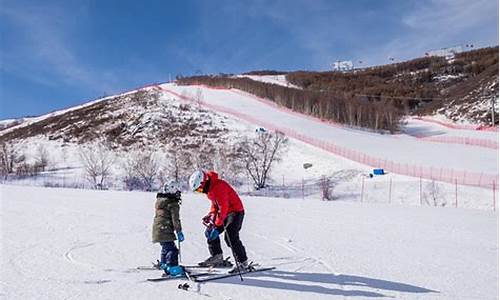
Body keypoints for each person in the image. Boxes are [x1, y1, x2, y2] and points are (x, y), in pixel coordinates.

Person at [189, 170, 249, 273]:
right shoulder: (210, 188)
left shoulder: (218, 186)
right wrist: (211, 215)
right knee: (210, 231)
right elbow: (215, 205)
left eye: (199, 189)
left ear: (203, 182)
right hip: (225, 212)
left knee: (230, 236)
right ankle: (217, 256)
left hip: (235, 211)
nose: (201, 192)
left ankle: (242, 262)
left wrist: (217, 224)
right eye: (197, 191)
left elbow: (223, 207)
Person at [152, 180, 185, 277]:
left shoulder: (161, 201)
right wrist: (179, 231)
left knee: (166, 247)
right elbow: (176, 220)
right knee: (172, 250)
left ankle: (164, 264)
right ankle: (172, 268)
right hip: (165, 229)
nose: (179, 193)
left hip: (157, 230)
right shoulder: (172, 203)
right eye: (177, 191)